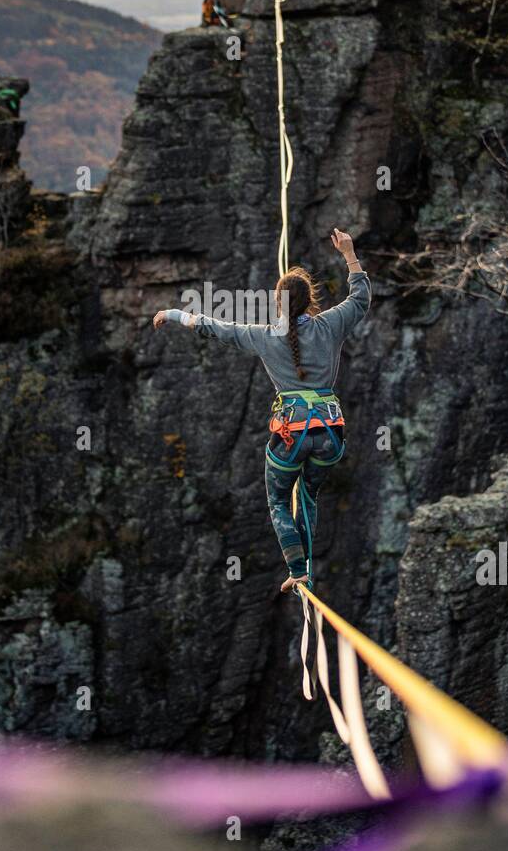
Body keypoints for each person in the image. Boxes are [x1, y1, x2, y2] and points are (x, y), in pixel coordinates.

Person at [153, 229, 370, 592]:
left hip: (291, 432)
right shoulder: (331, 325)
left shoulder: (264, 336)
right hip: (331, 432)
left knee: (279, 500)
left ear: (278, 303)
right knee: (309, 496)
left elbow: (214, 327)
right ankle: (307, 570)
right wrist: (349, 254)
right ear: (309, 300)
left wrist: (173, 313)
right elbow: (360, 298)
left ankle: (297, 569)